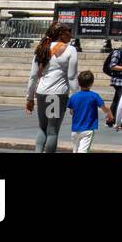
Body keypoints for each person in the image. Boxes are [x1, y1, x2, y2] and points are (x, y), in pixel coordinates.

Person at [26, 21, 77, 154]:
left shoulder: (42, 48)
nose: (71, 34)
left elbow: (33, 76)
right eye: (69, 31)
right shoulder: (70, 50)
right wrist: (76, 98)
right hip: (57, 95)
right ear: (61, 33)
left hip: (42, 92)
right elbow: (72, 77)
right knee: (53, 131)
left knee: (42, 128)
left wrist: (29, 97)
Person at [68, 70, 112, 153]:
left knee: (76, 150)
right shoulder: (94, 96)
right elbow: (104, 108)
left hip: (75, 129)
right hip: (88, 129)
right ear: (91, 83)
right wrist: (110, 115)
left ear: (79, 82)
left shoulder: (73, 97)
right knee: (83, 151)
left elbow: (71, 112)